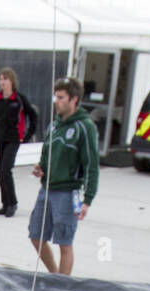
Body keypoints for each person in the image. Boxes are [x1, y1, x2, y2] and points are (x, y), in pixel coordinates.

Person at [29, 76, 99, 276]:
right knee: (36, 236)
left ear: (73, 99)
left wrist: (88, 199)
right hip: (47, 189)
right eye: (55, 97)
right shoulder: (54, 126)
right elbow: (46, 155)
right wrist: (41, 168)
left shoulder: (84, 127)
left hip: (68, 192)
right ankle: (55, 276)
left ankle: (63, 285)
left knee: (64, 242)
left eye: (61, 98)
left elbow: (91, 165)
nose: (56, 102)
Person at [0, 68, 38, 218]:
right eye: (0, 79)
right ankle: (5, 203)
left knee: (6, 169)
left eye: (5, 79)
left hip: (14, 139)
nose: (2, 82)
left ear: (12, 81)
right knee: (0, 170)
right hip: (0, 139)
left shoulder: (19, 99)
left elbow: (33, 115)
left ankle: (12, 203)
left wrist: (27, 135)